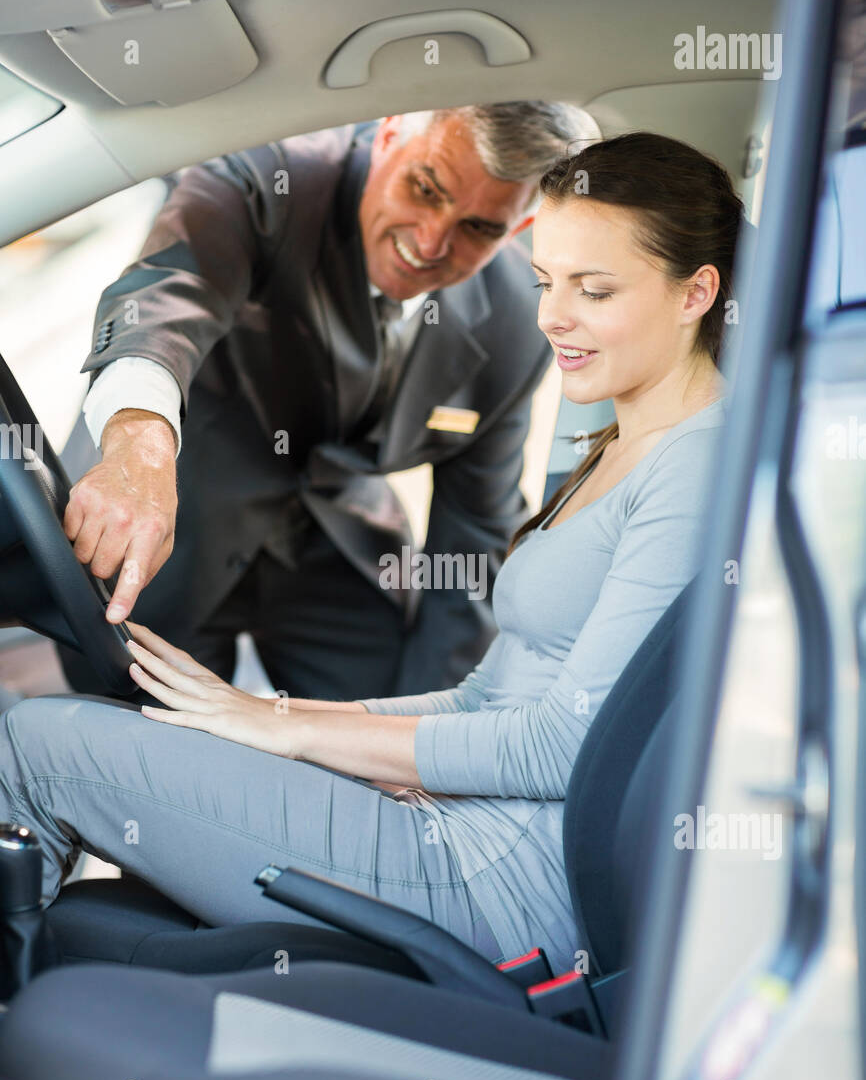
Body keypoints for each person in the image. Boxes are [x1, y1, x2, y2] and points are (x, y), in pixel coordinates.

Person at [0, 132, 742, 976]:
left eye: (594, 290)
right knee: (124, 743)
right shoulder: (618, 445)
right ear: (391, 138)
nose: (551, 317)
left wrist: (280, 728)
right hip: (455, 818)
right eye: (546, 282)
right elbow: (486, 698)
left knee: (33, 743)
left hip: (486, 873)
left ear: (696, 293)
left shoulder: (694, 467)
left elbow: (559, 746)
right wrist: (276, 721)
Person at [58, 103, 593, 701]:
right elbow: (164, 298)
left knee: (373, 734)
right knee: (150, 754)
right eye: (425, 187)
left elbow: (473, 533)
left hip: (338, 549)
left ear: (517, 228)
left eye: (479, 228)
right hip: (167, 525)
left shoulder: (521, 320)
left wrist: (427, 734)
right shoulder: (270, 171)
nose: (430, 241)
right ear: (389, 132)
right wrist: (140, 445)